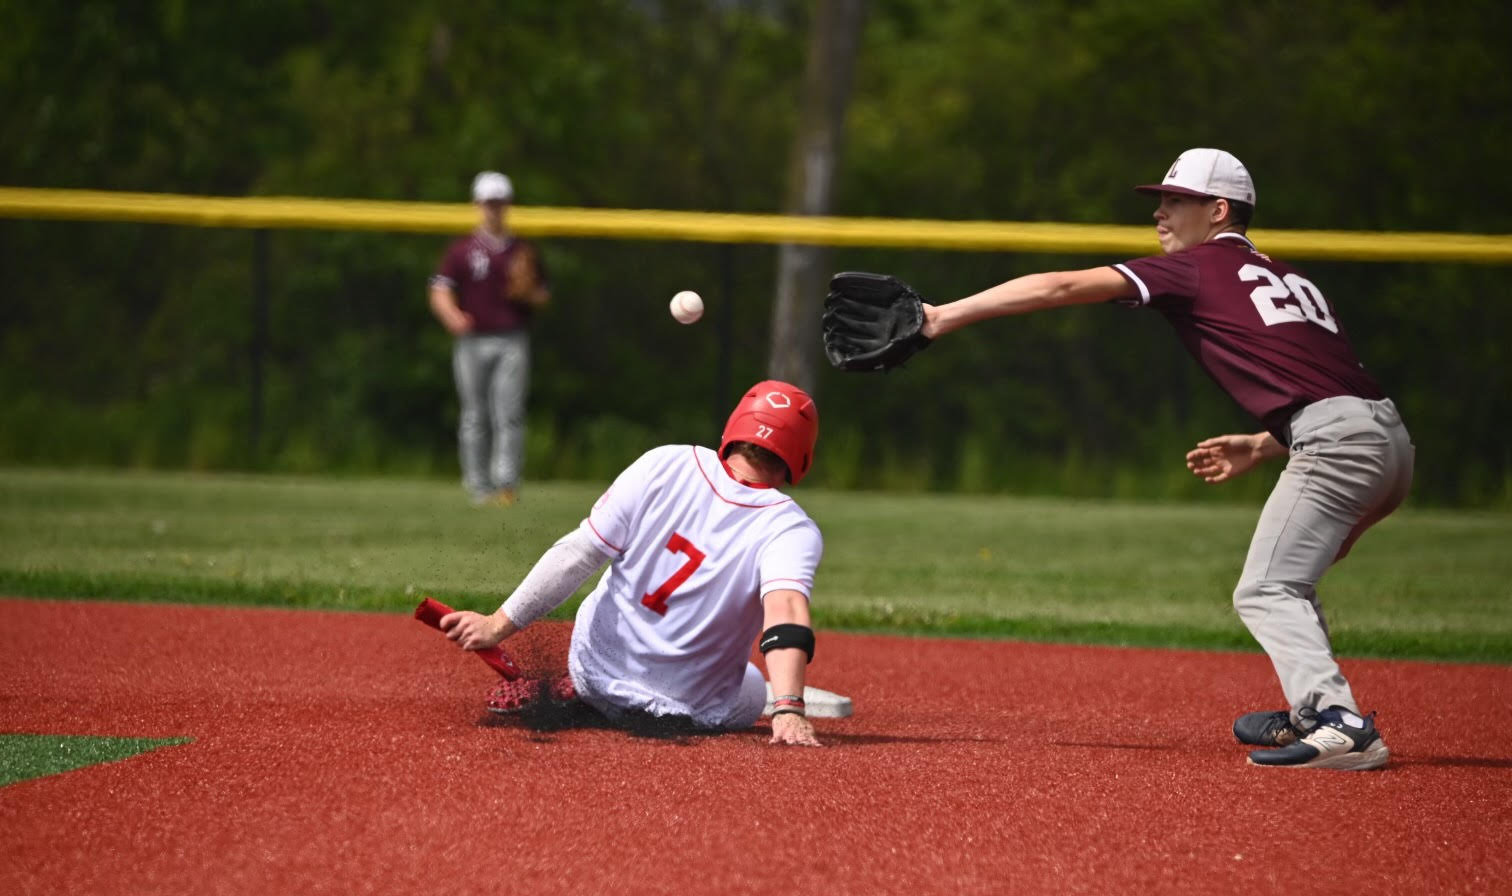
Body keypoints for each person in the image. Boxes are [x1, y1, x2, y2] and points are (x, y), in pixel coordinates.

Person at [916, 148, 1412, 771]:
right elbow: (1331, 383)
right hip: (1389, 441)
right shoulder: (1289, 277)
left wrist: (944, 315)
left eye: (1176, 201)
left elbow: (1059, 286)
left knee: (1267, 588)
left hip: (1338, 446)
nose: (1160, 213)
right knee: (1291, 579)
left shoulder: (1200, 267)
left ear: (1219, 211)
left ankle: (1340, 725)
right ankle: (1314, 711)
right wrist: (1263, 443)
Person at [438, 380, 828, 746]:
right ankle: (624, 700)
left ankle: (580, 689)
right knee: (753, 685)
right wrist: (788, 709)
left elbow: (578, 554)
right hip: (684, 707)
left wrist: (496, 625)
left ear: (735, 428)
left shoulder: (666, 462)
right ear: (802, 456)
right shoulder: (789, 526)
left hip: (593, 670)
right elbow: (785, 610)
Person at [428, 171, 550, 506]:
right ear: (478, 205)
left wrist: (530, 292)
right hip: (472, 339)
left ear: (507, 205)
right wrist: (452, 316)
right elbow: (439, 289)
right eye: (488, 203)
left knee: (509, 413)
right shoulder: (462, 249)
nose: (494, 209)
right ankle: (478, 485)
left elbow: (543, 294)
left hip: (512, 337)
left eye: (499, 203)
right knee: (474, 414)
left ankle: (506, 484)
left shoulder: (522, 250)